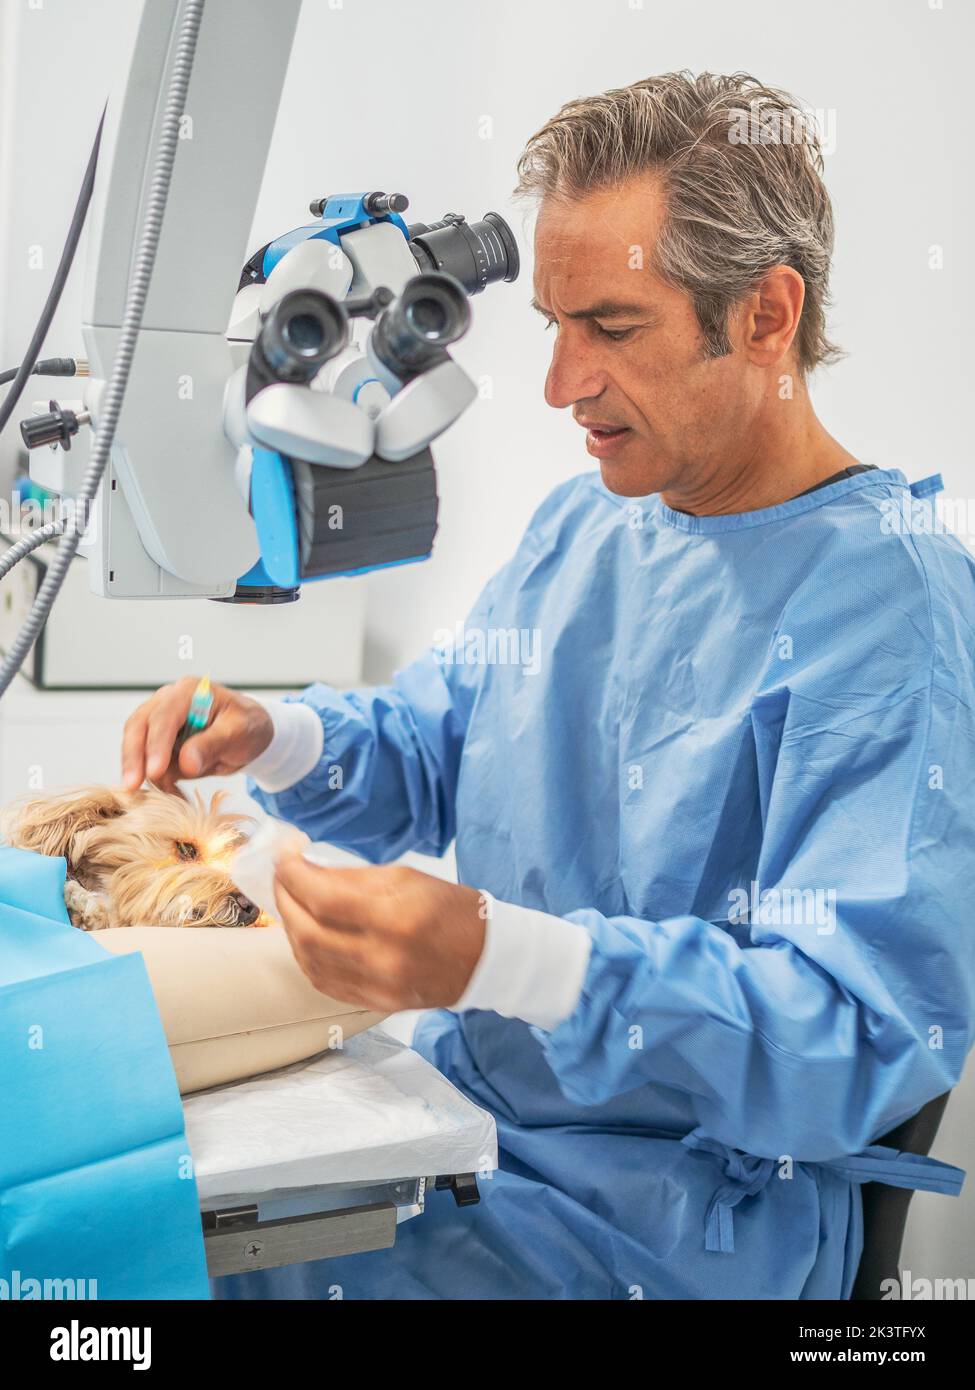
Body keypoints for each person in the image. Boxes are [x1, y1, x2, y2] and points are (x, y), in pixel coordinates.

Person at [123, 72, 975, 1300]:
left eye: (614, 329)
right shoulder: (587, 526)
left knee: (163, 1285)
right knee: (118, 1215)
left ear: (767, 317)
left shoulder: (894, 606)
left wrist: (507, 961)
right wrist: (276, 735)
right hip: (464, 1135)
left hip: (679, 1225)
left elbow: (851, 1038)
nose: (559, 384)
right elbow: (438, 739)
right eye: (552, 325)